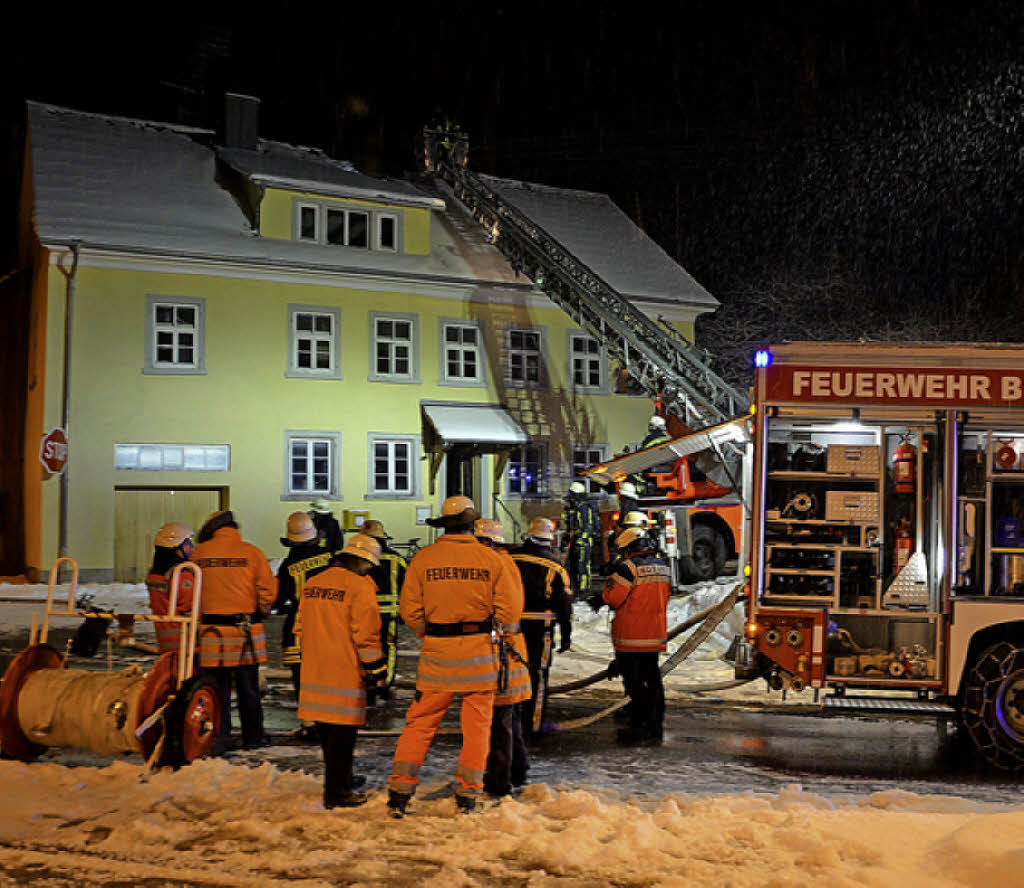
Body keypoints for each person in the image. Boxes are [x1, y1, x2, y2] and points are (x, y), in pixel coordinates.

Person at [386, 496, 522, 817]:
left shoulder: (423, 559)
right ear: (473, 525)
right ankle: (468, 794)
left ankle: (400, 790)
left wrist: (430, 633)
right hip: (479, 654)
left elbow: (410, 610)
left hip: (437, 654)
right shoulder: (491, 559)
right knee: (477, 727)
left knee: (419, 724)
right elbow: (510, 613)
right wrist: (502, 634)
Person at [294, 534, 387, 809]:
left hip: (314, 670)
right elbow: (366, 635)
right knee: (343, 738)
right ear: (359, 561)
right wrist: (376, 669)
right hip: (344, 671)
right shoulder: (359, 587)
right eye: (369, 565)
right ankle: (338, 792)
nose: (369, 570)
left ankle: (342, 778)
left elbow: (299, 625)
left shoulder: (314, 581)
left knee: (326, 735)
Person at [192, 510, 277, 751]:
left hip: (211, 633)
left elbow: (190, 591)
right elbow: (267, 590)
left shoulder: (199, 554)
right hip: (243, 632)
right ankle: (253, 737)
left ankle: (219, 736)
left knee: (217, 689)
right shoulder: (251, 552)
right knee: (248, 688)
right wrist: (263, 608)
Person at [474, 518, 531, 797]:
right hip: (509, 651)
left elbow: (503, 613)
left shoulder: (495, 564)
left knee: (500, 722)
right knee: (508, 718)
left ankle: (500, 780)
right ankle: (517, 769)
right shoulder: (504, 562)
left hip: (502, 652)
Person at [600, 525, 672, 746]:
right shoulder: (663, 567)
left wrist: (608, 583)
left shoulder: (627, 569)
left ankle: (639, 724)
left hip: (630, 638)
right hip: (654, 635)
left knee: (634, 685)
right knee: (653, 682)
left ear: (629, 548)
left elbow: (612, 598)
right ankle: (654, 725)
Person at [510, 517, 573, 742]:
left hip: (511, 626)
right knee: (537, 676)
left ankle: (509, 723)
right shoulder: (555, 566)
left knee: (510, 675)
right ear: (549, 540)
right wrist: (566, 635)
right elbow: (564, 605)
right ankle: (534, 725)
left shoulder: (509, 559)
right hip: (541, 627)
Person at [277, 511, 333, 742]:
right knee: (328, 675)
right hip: (329, 623)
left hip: (298, 626)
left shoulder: (288, 565)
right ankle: (330, 720)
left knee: (302, 676)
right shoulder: (331, 558)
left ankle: (310, 724)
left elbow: (280, 599)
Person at [358, 519, 406, 689]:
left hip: (365, 611)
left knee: (366, 646)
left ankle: (369, 677)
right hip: (390, 612)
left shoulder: (360, 559)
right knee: (389, 645)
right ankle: (386, 681)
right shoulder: (397, 559)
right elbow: (406, 586)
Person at [146, 522, 196, 655]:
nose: (191, 548)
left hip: (165, 640)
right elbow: (190, 607)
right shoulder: (182, 575)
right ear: (176, 547)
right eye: (187, 544)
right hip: (186, 641)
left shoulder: (154, 575)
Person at [563, 481, 601, 598]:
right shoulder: (574, 508)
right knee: (572, 567)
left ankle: (583, 591)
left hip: (583, 542)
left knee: (582, 566)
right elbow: (571, 527)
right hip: (576, 541)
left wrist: (581, 541)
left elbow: (587, 526)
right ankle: (574, 590)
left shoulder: (584, 508)